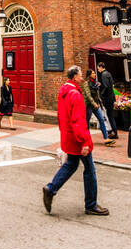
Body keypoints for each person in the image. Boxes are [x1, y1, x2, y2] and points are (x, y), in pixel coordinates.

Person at [42, 66, 108, 216]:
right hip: (78, 138)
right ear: (74, 78)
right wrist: (84, 142)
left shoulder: (63, 91)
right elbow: (78, 121)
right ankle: (91, 204)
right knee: (90, 170)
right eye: (79, 76)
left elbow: (61, 115)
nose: (82, 78)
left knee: (71, 164)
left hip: (68, 136)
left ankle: (51, 189)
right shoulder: (75, 95)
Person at [83, 68, 116, 145]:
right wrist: (94, 103)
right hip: (89, 105)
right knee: (86, 122)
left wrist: (99, 103)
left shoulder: (95, 83)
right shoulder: (86, 83)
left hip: (97, 105)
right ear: (89, 75)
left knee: (101, 119)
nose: (95, 74)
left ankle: (106, 139)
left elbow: (96, 95)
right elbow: (88, 95)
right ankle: (87, 139)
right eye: (93, 73)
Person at [96, 61, 119, 143]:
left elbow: (106, 87)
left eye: (98, 67)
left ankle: (113, 132)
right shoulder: (108, 73)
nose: (98, 69)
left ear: (101, 67)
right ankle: (114, 132)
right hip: (111, 98)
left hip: (107, 98)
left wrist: (101, 95)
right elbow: (110, 86)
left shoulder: (103, 74)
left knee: (108, 115)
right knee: (110, 115)